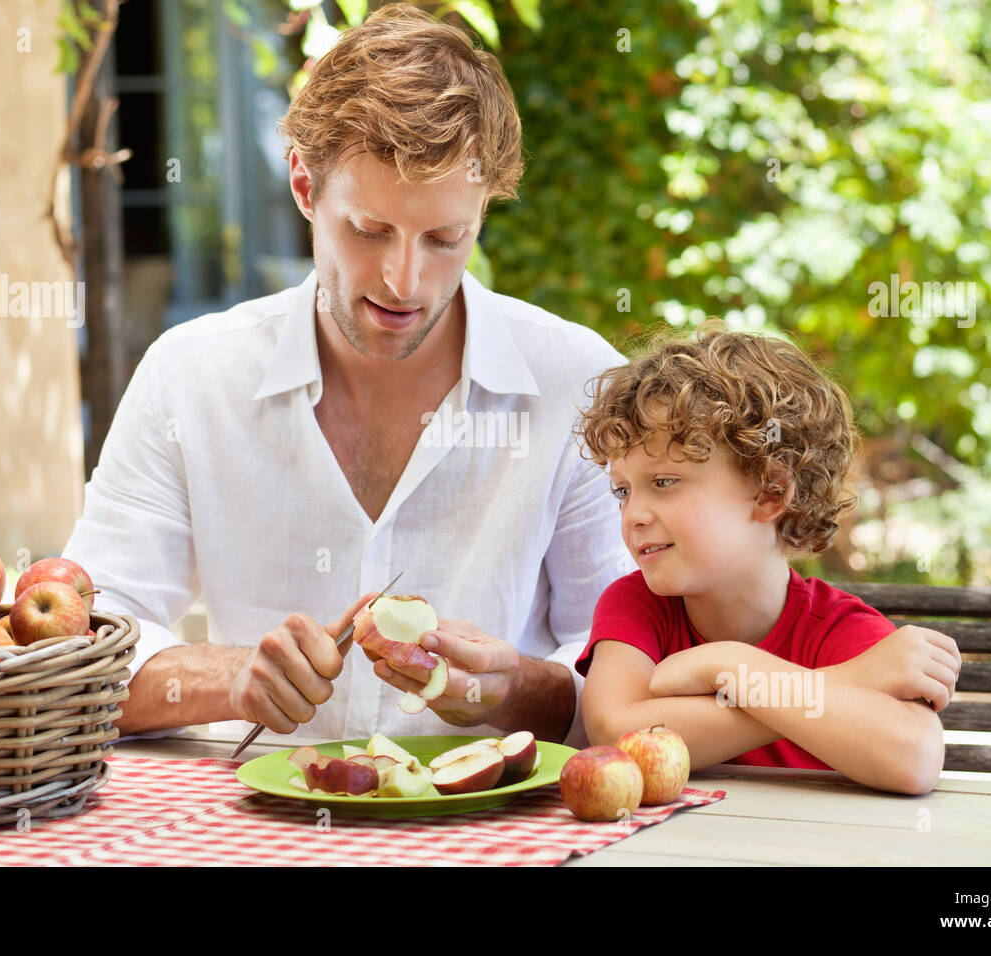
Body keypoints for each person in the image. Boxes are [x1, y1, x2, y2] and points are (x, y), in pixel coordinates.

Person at [61, 4, 630, 747]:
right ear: (303, 184)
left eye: (446, 238)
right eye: (369, 231)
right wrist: (228, 678)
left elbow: (633, 664)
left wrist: (518, 691)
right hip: (259, 841)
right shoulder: (190, 376)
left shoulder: (578, 385)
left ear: (483, 211)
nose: (405, 280)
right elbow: (78, 642)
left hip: (504, 843)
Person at [573, 324, 963, 793]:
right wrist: (845, 681)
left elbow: (915, 759)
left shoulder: (839, 628)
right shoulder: (635, 604)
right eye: (623, 490)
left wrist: (732, 667)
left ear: (771, 492)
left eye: (663, 482)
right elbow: (616, 736)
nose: (633, 514)